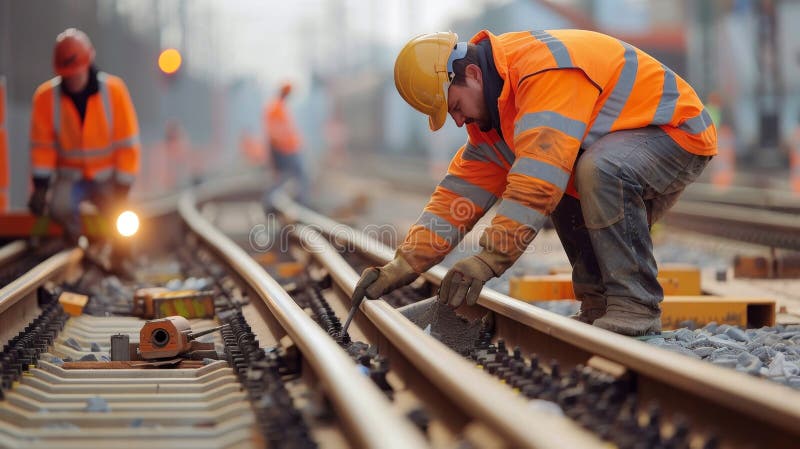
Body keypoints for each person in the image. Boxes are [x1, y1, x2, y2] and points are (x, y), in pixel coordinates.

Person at [353, 30, 717, 336]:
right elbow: (456, 200)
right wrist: (400, 267)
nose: (459, 121)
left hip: (673, 133)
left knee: (589, 170)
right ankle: (599, 303)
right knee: (571, 173)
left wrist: (488, 260)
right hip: (621, 145)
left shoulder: (540, 73)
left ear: (473, 76)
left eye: (456, 107)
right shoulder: (497, 120)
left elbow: (537, 182)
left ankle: (636, 304)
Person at [28, 28, 140, 264]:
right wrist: (40, 188)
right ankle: (81, 243)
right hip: (71, 177)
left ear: (88, 63)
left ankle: (121, 256)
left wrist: (123, 189)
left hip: (108, 178)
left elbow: (127, 144)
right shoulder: (45, 98)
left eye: (76, 72)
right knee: (59, 207)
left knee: (122, 217)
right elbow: (42, 147)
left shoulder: (114, 91)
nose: (73, 79)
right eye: (68, 74)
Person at [263, 81, 307, 204]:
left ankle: (272, 201)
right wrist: (285, 143)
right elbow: (275, 131)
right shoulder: (275, 108)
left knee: (285, 178)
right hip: (284, 150)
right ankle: (300, 203)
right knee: (298, 175)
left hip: (286, 148)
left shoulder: (279, 106)